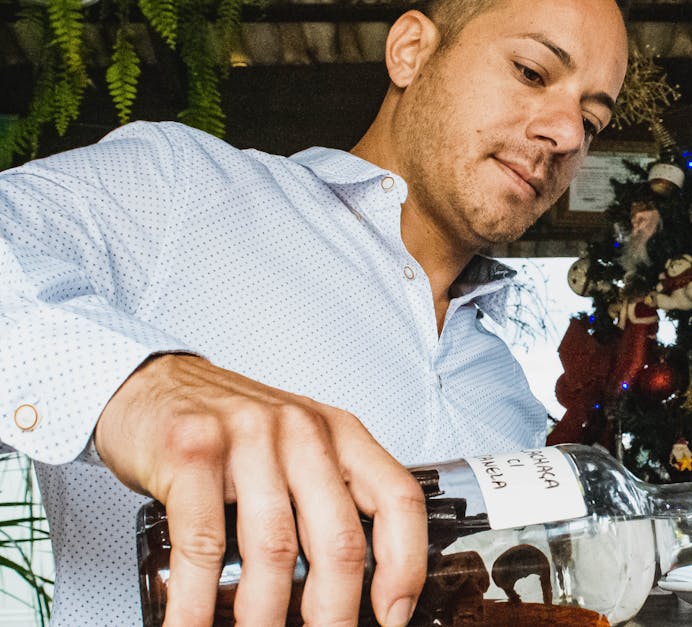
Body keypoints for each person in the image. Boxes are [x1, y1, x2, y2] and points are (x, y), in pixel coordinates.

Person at [0, 0, 628, 624]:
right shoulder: (184, 189)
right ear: (411, 51)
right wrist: (140, 384)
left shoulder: (508, 394)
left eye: (591, 121)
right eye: (531, 71)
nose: (568, 134)